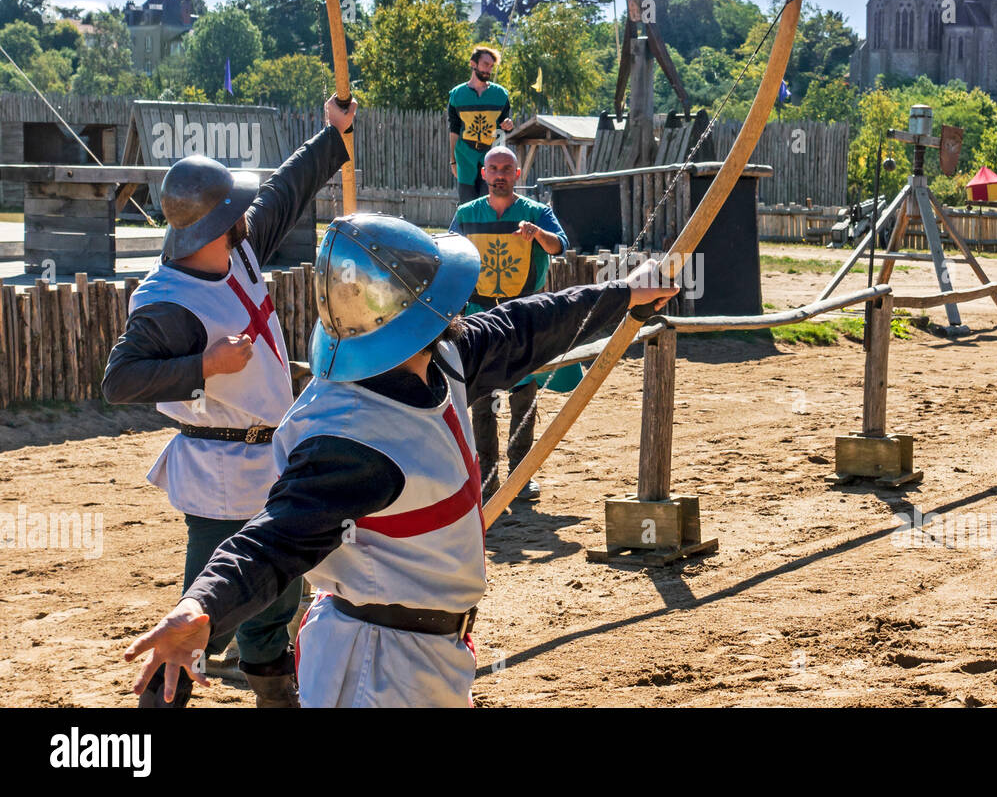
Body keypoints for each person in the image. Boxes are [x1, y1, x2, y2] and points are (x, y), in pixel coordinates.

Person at [124, 213, 677, 707]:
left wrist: (623, 293)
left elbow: (525, 326)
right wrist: (204, 606)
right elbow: (272, 541)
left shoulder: (440, 357)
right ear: (419, 312)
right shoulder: (349, 438)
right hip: (376, 667)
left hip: (423, 655)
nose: (458, 306)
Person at [102, 94, 357, 708]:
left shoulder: (237, 250)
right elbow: (121, 380)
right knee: (199, 620)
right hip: (218, 473)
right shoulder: (167, 301)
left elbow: (283, 193)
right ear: (215, 223)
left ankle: (277, 701)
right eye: (235, 210)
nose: (249, 214)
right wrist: (206, 365)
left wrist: (331, 134)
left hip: (271, 462)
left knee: (276, 598)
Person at [451, 145, 568, 503]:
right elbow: (451, 256)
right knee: (482, 397)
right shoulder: (466, 214)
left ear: (518, 174)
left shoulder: (536, 212)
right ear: (483, 174)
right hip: (479, 316)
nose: (500, 174)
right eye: (493, 168)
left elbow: (559, 246)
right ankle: (486, 476)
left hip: (523, 315)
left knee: (523, 395)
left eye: (506, 168)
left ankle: (521, 475)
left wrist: (538, 235)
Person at [448, 45, 513, 205]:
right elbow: (454, 130)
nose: (488, 70)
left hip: (490, 156)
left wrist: (508, 124)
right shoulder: (457, 95)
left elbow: (505, 124)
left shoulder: (500, 95)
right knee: (467, 205)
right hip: (464, 156)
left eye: (491, 66)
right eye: (485, 64)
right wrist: (453, 161)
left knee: (489, 203)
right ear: (473, 64)